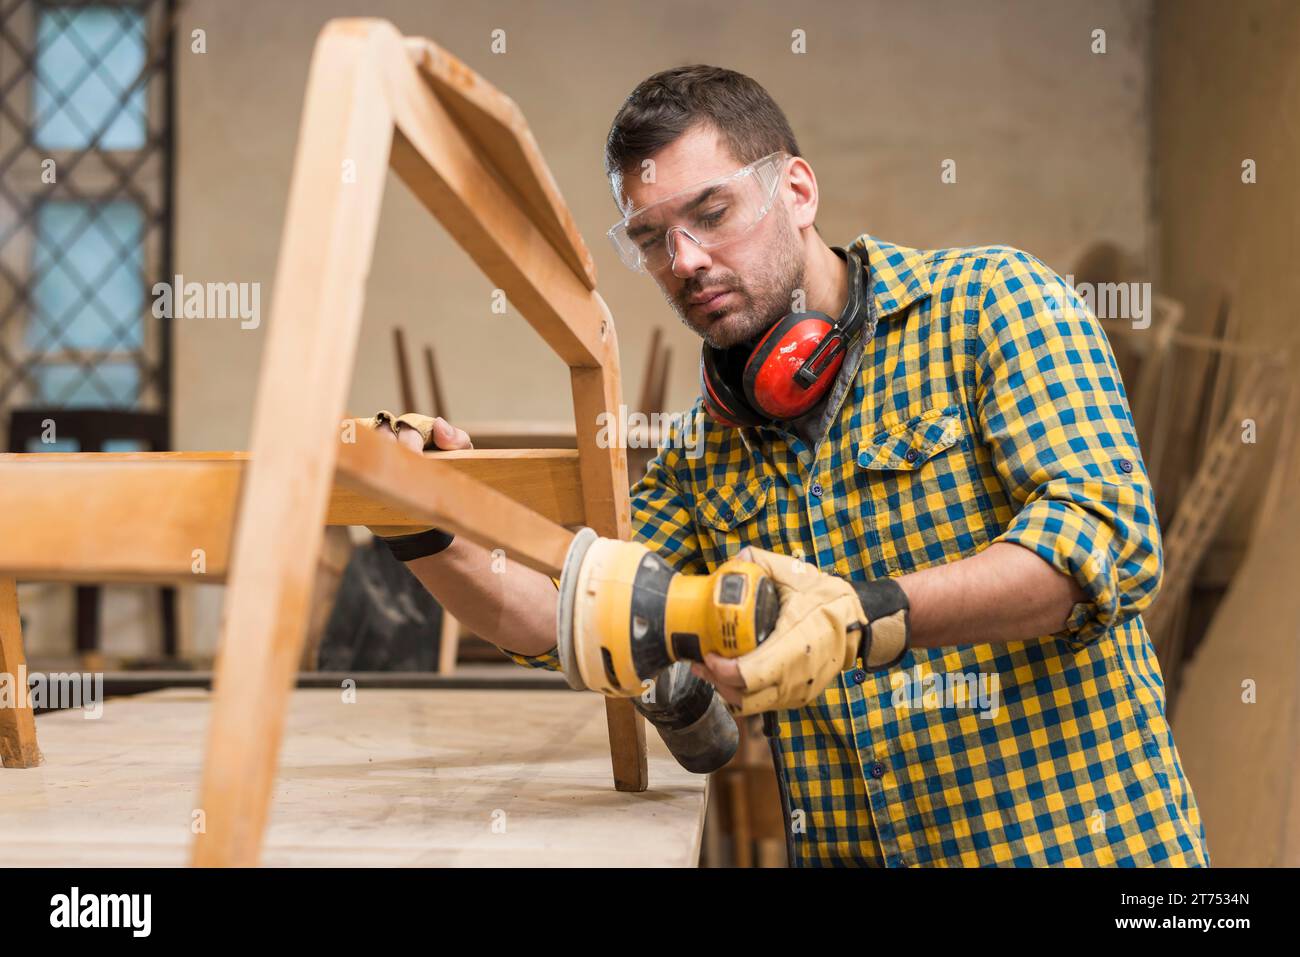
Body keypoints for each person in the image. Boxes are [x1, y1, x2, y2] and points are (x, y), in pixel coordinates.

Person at [370, 65, 1208, 868]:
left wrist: (866, 616)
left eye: (713, 211)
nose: (686, 260)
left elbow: (1104, 545)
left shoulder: (994, 304)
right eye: (653, 238)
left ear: (797, 191)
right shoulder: (702, 452)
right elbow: (568, 611)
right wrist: (424, 521)